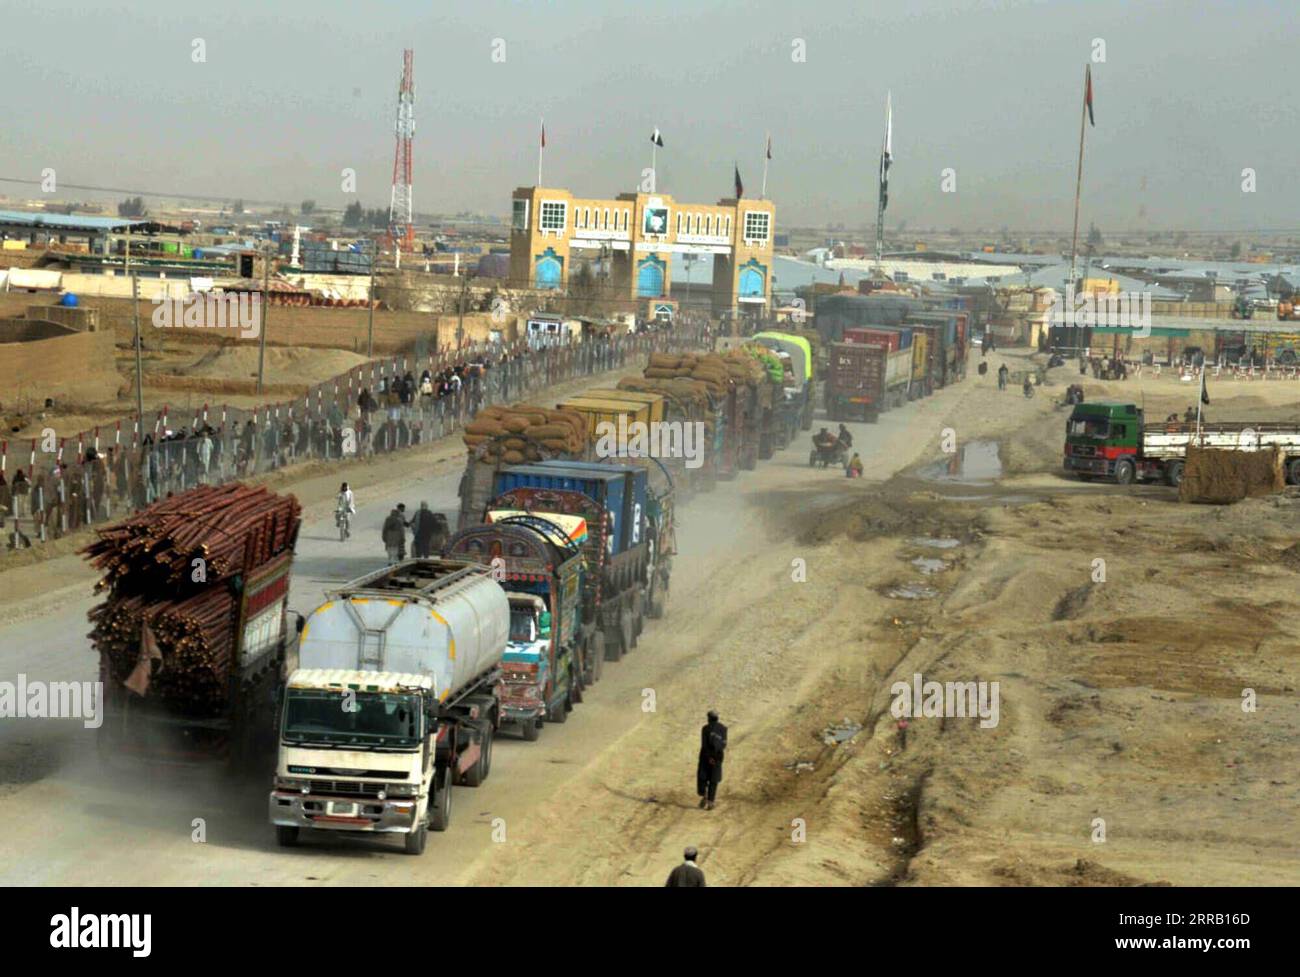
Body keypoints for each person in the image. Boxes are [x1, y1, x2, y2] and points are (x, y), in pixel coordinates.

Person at [697, 709, 728, 811]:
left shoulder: (705, 728)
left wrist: (710, 757)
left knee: (703, 777)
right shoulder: (723, 729)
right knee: (713, 780)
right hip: (718, 757)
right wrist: (715, 758)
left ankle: (704, 794)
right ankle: (711, 801)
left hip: (706, 757)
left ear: (709, 718)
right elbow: (723, 744)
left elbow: (704, 745)